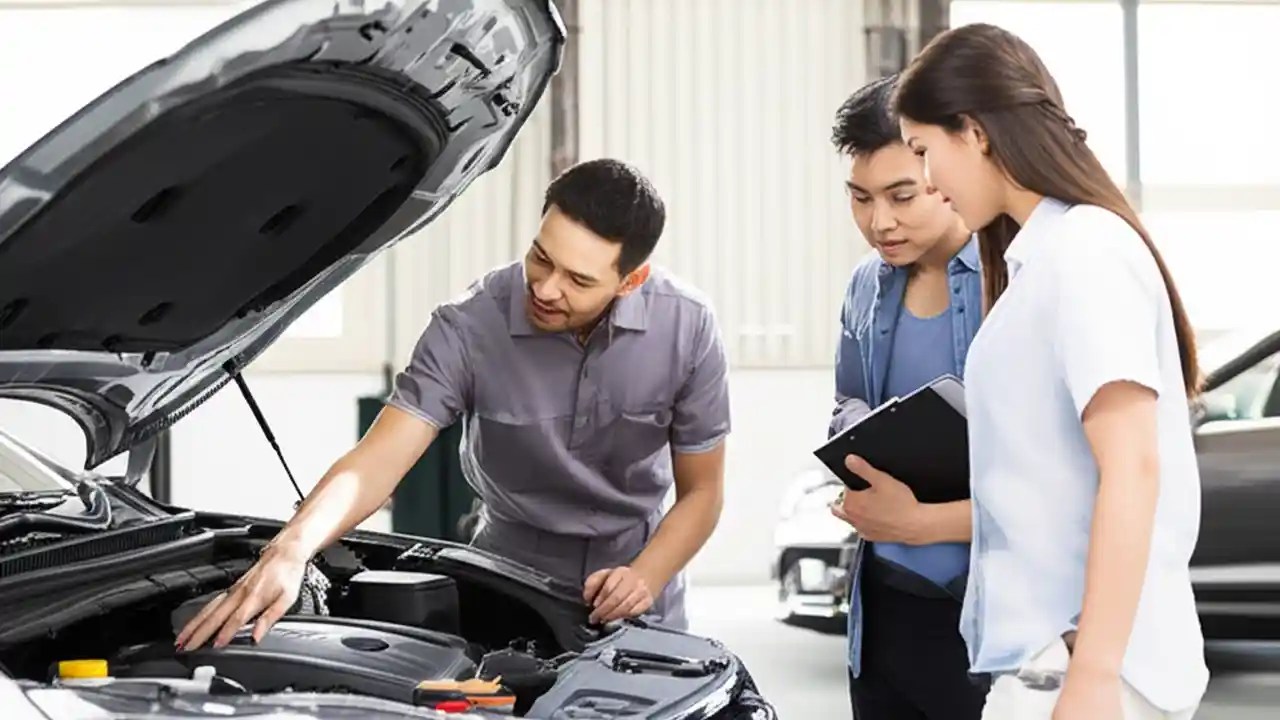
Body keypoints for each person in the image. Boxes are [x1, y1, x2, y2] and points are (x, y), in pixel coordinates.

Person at [175, 158, 730, 651]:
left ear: (630, 280)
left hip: (641, 586)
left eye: (578, 280)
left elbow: (702, 491)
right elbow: (376, 462)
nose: (546, 287)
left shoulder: (688, 327)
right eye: (541, 257)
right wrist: (290, 550)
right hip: (508, 581)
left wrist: (645, 576)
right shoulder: (468, 326)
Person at [843, 22, 1207, 720]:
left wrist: (1095, 676)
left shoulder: (1086, 252)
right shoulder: (1035, 260)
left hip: (1087, 671)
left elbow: (1132, 469)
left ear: (975, 132)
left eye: (923, 150)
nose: (926, 180)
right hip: (1042, 664)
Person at [826, 74, 987, 720]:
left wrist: (920, 521)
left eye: (900, 196)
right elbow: (845, 399)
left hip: (982, 621)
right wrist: (861, 430)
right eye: (860, 198)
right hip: (883, 612)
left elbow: (1056, 493)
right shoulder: (866, 285)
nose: (878, 222)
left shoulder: (1014, 282)